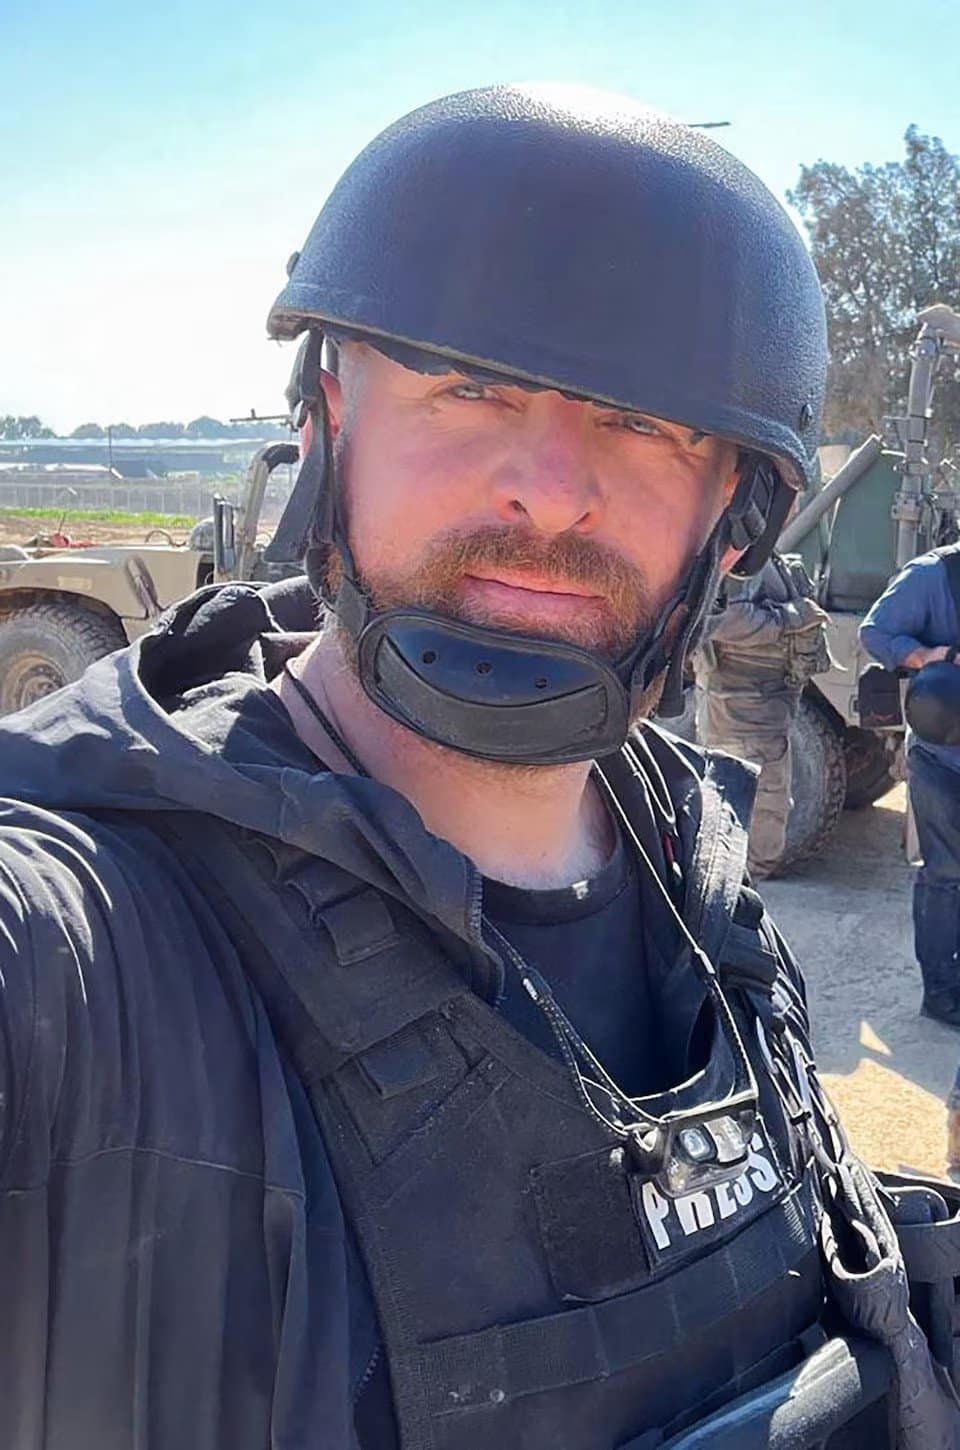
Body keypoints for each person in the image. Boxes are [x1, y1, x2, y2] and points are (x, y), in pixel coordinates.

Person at [1, 86, 958, 1450]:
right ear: (331, 413)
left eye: (647, 426)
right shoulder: (83, 957)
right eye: (471, 386)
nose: (551, 487)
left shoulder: (702, 877)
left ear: (733, 520)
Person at [860, 545, 960, 1028]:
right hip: (944, 757)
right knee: (947, 873)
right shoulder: (932, 575)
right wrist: (927, 656)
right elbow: (875, 632)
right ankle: (941, 993)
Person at [695, 553, 830, 878]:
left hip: (765, 710)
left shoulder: (763, 552)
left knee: (766, 808)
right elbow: (721, 620)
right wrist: (789, 620)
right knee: (751, 811)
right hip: (741, 713)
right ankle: (737, 895)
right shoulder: (741, 556)